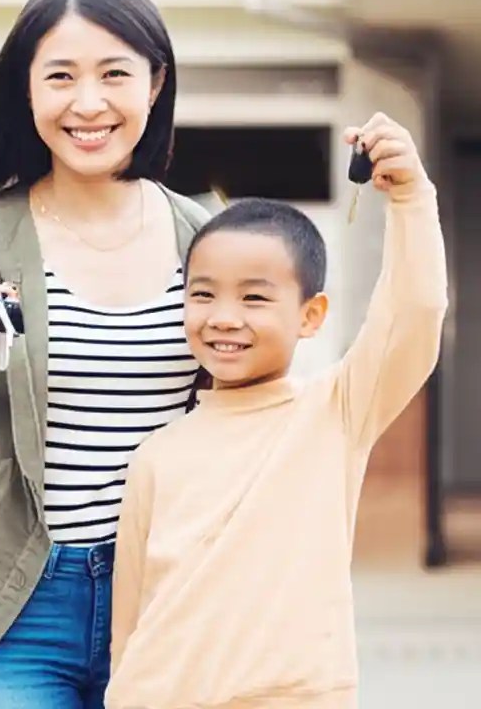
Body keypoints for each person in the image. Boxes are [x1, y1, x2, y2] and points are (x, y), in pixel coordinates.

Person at [0, 0, 211, 705]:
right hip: (14, 605)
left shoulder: (204, 239)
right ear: (26, 90)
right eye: (61, 76)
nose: (88, 103)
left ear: (156, 83)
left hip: (163, 597)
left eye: (115, 74)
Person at [105, 112, 448, 709]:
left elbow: (414, 314)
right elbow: (129, 617)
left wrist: (412, 197)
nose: (225, 316)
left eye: (255, 297)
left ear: (310, 316)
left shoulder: (337, 411)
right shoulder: (158, 452)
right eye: (203, 293)